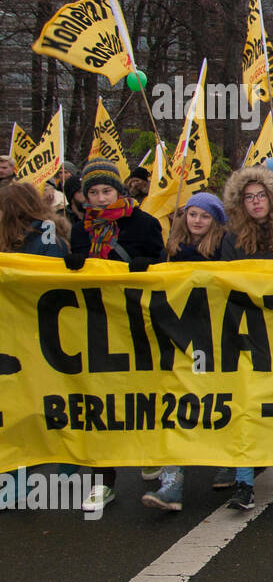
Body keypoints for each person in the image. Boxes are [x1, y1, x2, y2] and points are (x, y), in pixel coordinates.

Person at [68, 159, 165, 510]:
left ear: (119, 190)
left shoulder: (145, 223)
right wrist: (71, 267)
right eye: (93, 192)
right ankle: (103, 481)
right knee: (98, 402)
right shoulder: (80, 230)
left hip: (135, 321)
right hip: (94, 324)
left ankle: (150, 454)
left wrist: (147, 266)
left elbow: (166, 269)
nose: (100, 198)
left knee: (142, 393)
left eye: (106, 191)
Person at [217, 166, 273, 509]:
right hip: (249, 332)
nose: (256, 202)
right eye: (248, 197)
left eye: (261, 195)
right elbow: (226, 284)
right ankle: (244, 483)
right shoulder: (232, 240)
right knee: (247, 404)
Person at [140, 192, 228, 512]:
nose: (197, 221)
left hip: (214, 337)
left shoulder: (223, 249)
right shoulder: (171, 250)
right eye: (193, 214)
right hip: (177, 337)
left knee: (218, 402)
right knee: (174, 406)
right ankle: (171, 485)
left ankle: (230, 463)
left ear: (215, 222)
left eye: (205, 216)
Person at [0, 183, 72, 509]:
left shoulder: (46, 239)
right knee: (18, 408)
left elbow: (48, 282)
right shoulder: (17, 237)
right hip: (15, 334)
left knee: (40, 405)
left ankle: (65, 468)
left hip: (38, 335)